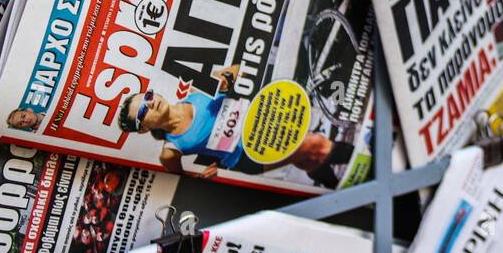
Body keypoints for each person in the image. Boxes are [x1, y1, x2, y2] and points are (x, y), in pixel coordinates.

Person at [117, 66, 355, 189]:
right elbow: (182, 180)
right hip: (247, 155)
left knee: (307, 159)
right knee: (311, 145)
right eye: (142, 111)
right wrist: (202, 177)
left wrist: (226, 77)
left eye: (147, 96)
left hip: (261, 123)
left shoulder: (194, 92)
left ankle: (344, 187)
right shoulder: (170, 151)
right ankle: (365, 161)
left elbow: (237, 68)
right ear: (143, 129)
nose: (151, 102)